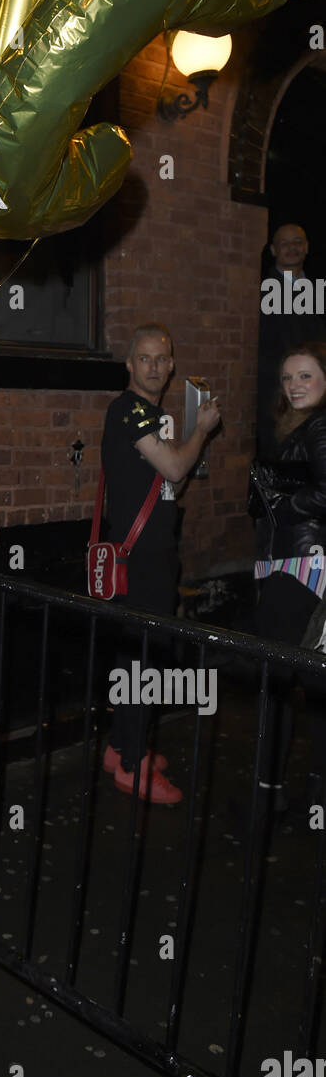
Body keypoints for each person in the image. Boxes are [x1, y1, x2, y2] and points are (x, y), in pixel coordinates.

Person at [99, 323, 221, 803]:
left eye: (162, 359)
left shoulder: (148, 416)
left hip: (147, 555)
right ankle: (132, 765)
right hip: (140, 559)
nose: (153, 366)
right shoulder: (128, 409)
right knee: (143, 662)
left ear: (171, 367)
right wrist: (200, 433)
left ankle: (119, 746)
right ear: (129, 365)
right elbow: (174, 467)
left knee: (136, 657)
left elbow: (169, 485)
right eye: (144, 358)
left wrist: (184, 447)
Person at [252, 343, 326, 812]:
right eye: (287, 378)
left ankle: (267, 795)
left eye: (305, 376)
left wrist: (281, 506)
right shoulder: (297, 425)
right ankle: (310, 789)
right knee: (310, 680)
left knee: (273, 674)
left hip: (302, 566)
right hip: (297, 563)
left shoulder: (320, 427)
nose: (294, 386)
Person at [257, 224, 321, 458]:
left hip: (317, 403)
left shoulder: (317, 291)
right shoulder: (261, 291)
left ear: (307, 248)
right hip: (279, 402)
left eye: (297, 242)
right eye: (285, 243)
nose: (292, 248)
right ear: (273, 250)